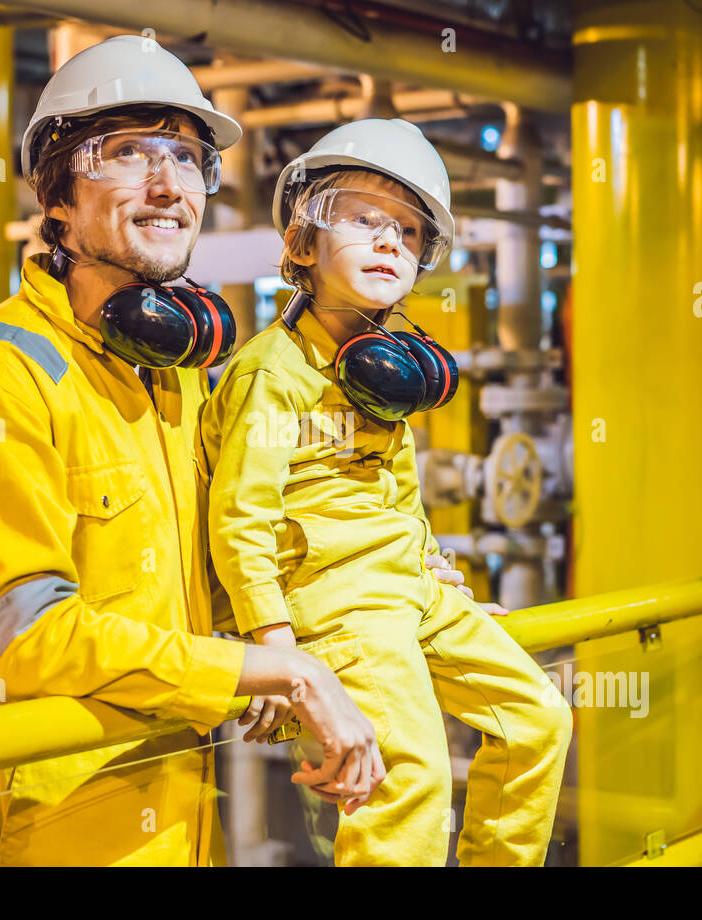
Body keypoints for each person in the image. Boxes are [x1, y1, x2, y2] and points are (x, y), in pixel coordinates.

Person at [0, 35, 384, 867]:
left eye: (189, 159)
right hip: (56, 829)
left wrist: (402, 602)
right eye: (128, 153)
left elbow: (221, 570)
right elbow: (27, 639)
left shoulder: (175, 380)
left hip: (187, 805)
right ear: (58, 196)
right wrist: (281, 676)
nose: (170, 185)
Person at [199, 118, 574, 866]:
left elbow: (400, 499)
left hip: (408, 591)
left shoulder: (376, 372)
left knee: (538, 721)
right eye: (365, 221)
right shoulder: (273, 374)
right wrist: (277, 650)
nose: (389, 242)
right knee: (412, 779)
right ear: (303, 245)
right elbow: (241, 516)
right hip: (339, 606)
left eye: (408, 231)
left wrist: (440, 581)